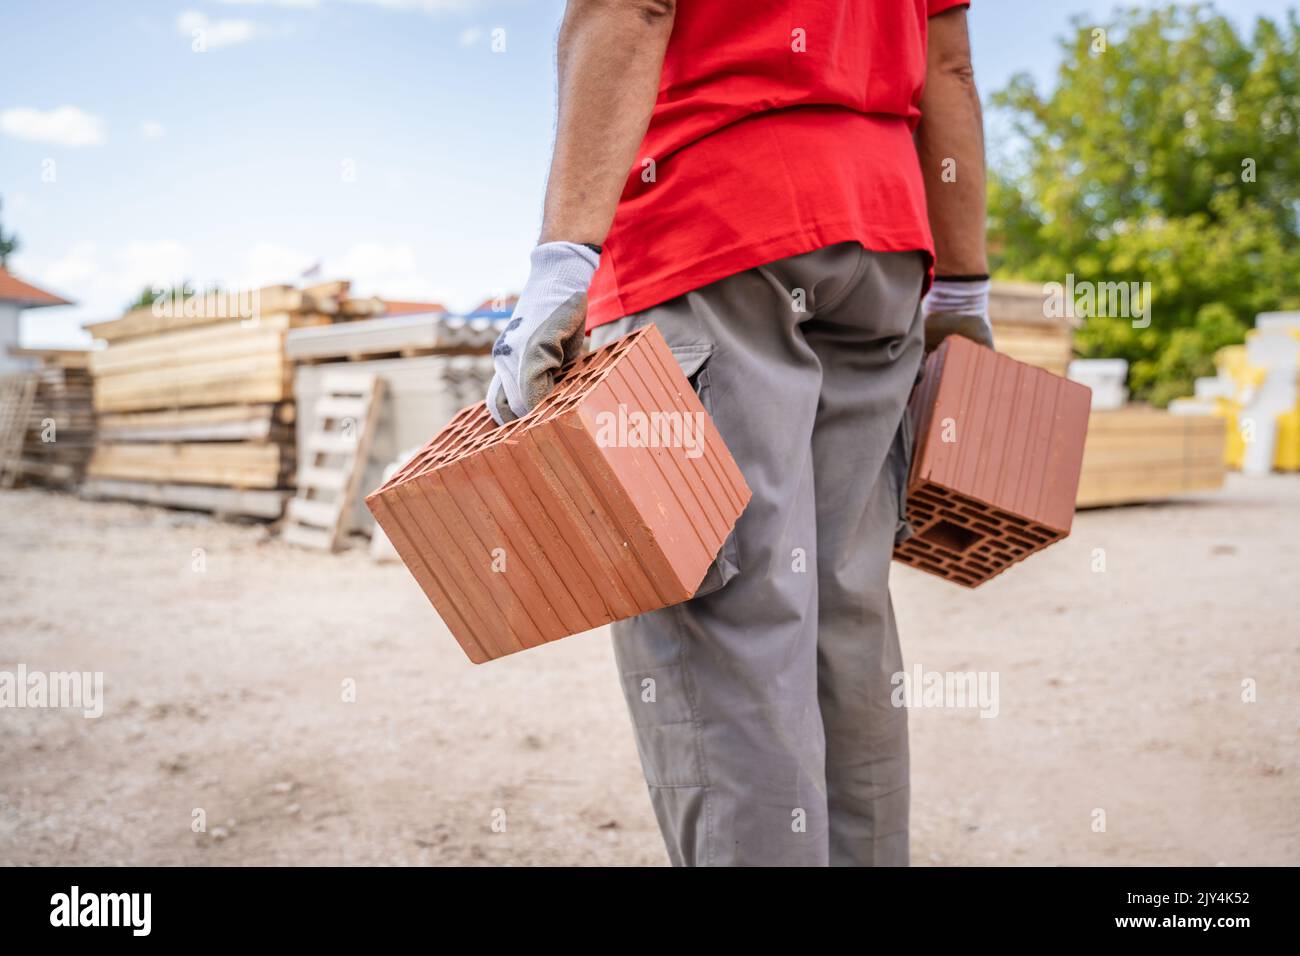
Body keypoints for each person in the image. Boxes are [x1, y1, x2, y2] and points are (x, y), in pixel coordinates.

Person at [486, 0, 992, 866]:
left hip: (715, 230)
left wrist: (563, 260)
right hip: (880, 249)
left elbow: (632, 8)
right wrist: (964, 287)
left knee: (728, 620)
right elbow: (947, 67)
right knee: (845, 609)